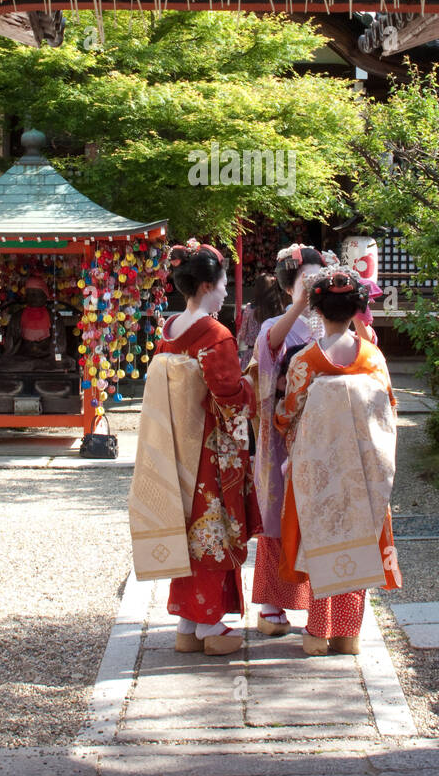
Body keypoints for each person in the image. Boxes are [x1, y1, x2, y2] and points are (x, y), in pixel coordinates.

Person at [127, 239, 260, 656]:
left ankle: (188, 622)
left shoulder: (170, 333)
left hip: (176, 449)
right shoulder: (214, 335)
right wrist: (253, 386)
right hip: (208, 449)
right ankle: (208, 622)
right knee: (210, 530)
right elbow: (228, 395)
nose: (225, 292)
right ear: (206, 285)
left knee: (189, 526)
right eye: (222, 284)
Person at [274, 265, 403, 656]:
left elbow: (288, 414)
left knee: (319, 541)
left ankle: (317, 630)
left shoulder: (305, 361)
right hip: (364, 469)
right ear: (356, 309)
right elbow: (389, 409)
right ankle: (348, 634)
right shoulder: (373, 359)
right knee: (359, 538)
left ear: (316, 310)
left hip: (319, 472)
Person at [250, 243, 327, 636]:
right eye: (306, 280)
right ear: (287, 288)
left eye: (319, 279)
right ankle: (269, 603)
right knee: (277, 512)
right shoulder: (273, 326)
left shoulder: (331, 321)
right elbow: (268, 355)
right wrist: (299, 304)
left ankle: (319, 604)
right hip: (284, 432)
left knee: (317, 514)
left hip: (322, 433)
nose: (315, 288)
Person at [237, 272, 285, 372]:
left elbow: (242, 332)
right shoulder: (279, 310)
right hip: (273, 356)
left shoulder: (250, 309)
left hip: (252, 355)